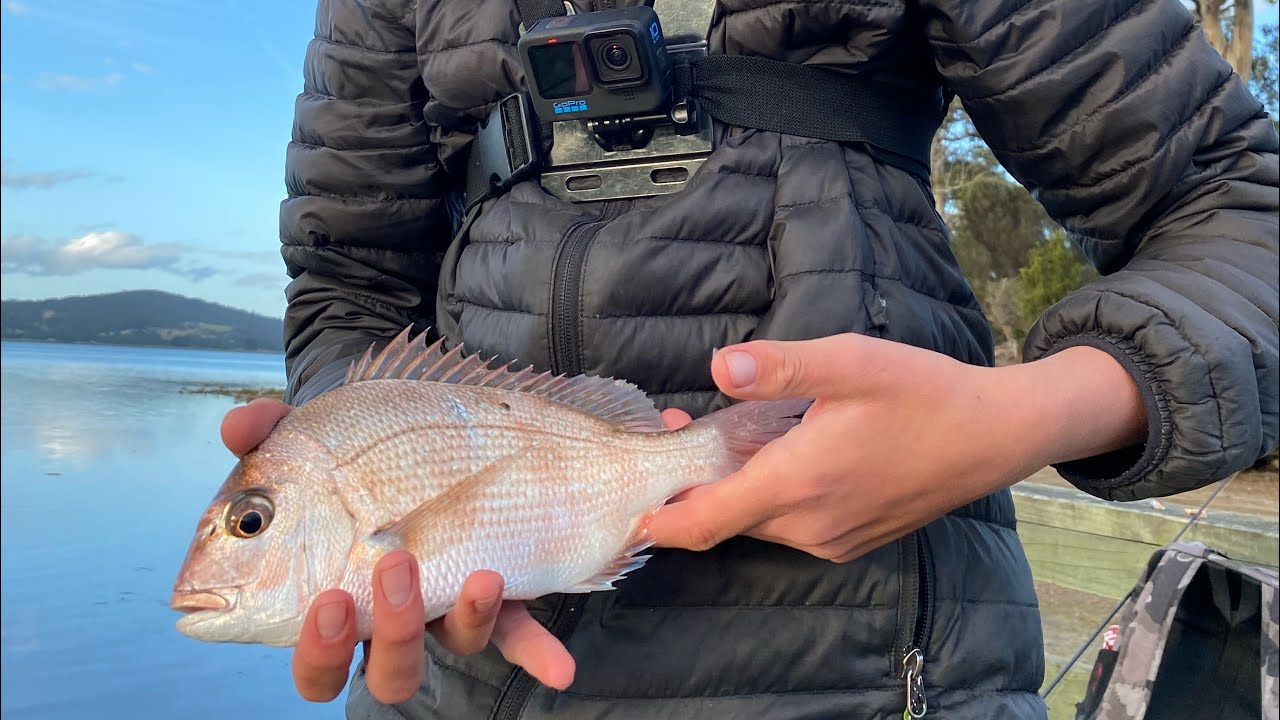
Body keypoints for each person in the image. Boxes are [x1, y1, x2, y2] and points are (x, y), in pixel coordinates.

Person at [222, 0, 1279, 716]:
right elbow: (346, 284)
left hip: (882, 679)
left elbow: (1240, 208)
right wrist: (335, 454)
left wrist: (1027, 419)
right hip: (462, 688)